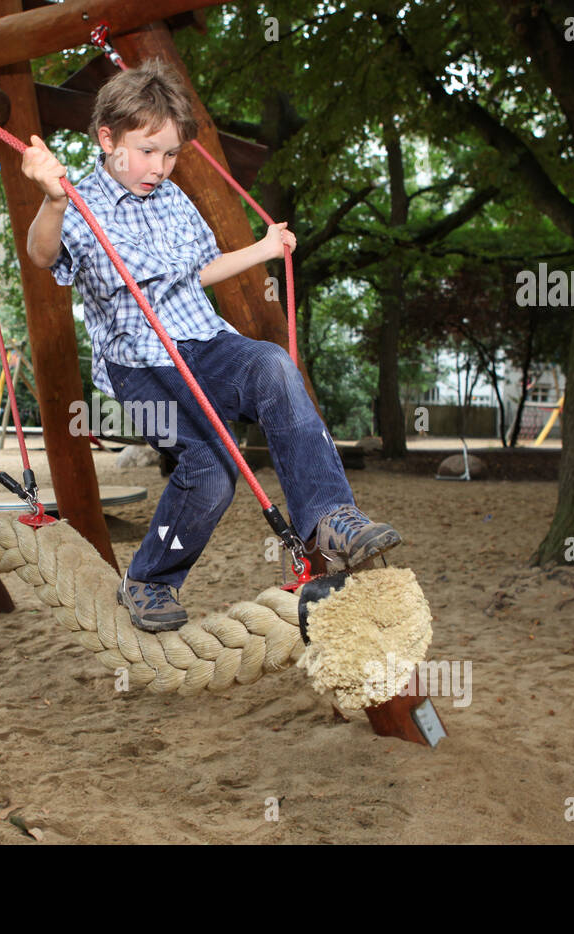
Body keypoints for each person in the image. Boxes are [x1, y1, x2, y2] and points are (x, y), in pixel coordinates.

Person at [21, 60, 402, 632]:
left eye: (171, 153)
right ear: (108, 138)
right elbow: (42, 256)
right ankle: (150, 580)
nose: (160, 166)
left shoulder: (173, 199)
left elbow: (199, 270)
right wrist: (51, 200)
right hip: (141, 364)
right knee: (210, 473)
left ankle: (328, 518)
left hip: (205, 342)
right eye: (148, 150)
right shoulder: (78, 199)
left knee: (273, 364)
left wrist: (264, 248)